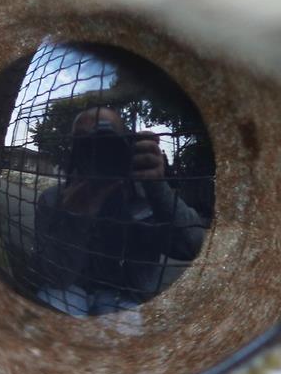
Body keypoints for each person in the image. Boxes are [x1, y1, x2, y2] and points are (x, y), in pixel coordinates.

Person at [30, 106, 208, 315]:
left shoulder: (147, 195)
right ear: (72, 150)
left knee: (126, 330)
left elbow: (191, 247)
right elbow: (55, 277)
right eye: (84, 142)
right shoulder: (53, 199)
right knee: (53, 309)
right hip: (69, 288)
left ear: (128, 144)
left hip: (127, 295)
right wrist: (76, 217)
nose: (97, 150)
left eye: (107, 141)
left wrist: (157, 187)